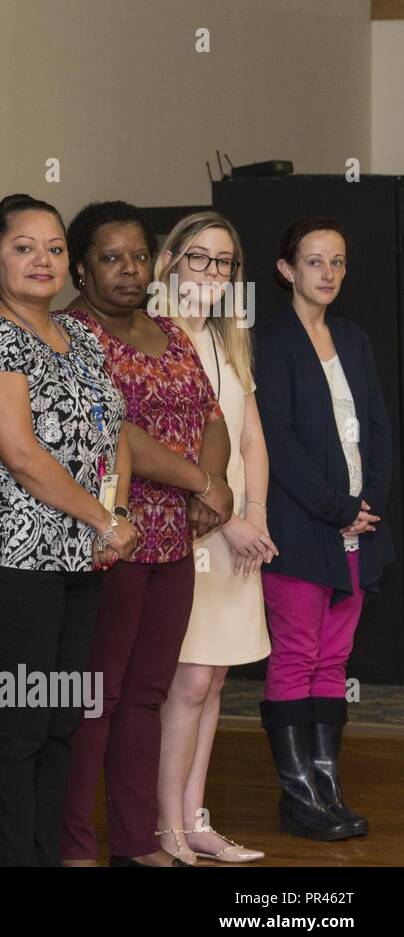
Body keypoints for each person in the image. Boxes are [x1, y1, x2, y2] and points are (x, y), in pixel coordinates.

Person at [59, 200, 234, 867]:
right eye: (111, 257)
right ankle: (77, 845)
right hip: (113, 545)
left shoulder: (171, 332)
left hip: (176, 547)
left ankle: (136, 842)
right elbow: (116, 432)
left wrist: (212, 486)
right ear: (81, 267)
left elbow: (209, 415)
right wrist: (200, 483)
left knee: (147, 696)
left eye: (137, 256)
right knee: (94, 700)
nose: (128, 269)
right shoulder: (73, 335)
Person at [0, 194, 137, 866]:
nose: (41, 260)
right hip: (21, 568)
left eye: (53, 248)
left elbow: (114, 434)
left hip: (84, 566)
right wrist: (103, 517)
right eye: (23, 247)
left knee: (63, 722)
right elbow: (21, 453)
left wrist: (116, 517)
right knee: (20, 727)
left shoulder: (85, 336)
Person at [256, 217, 394, 841]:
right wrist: (336, 506)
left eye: (337, 262)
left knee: (334, 658)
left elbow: (380, 429)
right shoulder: (272, 340)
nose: (328, 274)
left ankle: (327, 789)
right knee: (298, 655)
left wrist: (367, 503)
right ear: (287, 270)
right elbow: (278, 442)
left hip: (358, 529)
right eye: (314, 262)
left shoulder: (355, 337)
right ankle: (299, 798)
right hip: (302, 527)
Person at [153, 212, 273, 864]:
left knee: (214, 681)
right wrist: (229, 521)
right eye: (198, 258)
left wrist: (255, 514)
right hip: (186, 531)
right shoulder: (157, 339)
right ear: (170, 262)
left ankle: (196, 819)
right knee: (186, 683)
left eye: (223, 262)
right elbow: (164, 451)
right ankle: (165, 827)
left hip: (236, 534)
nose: (210, 272)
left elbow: (251, 438)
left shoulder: (229, 340)